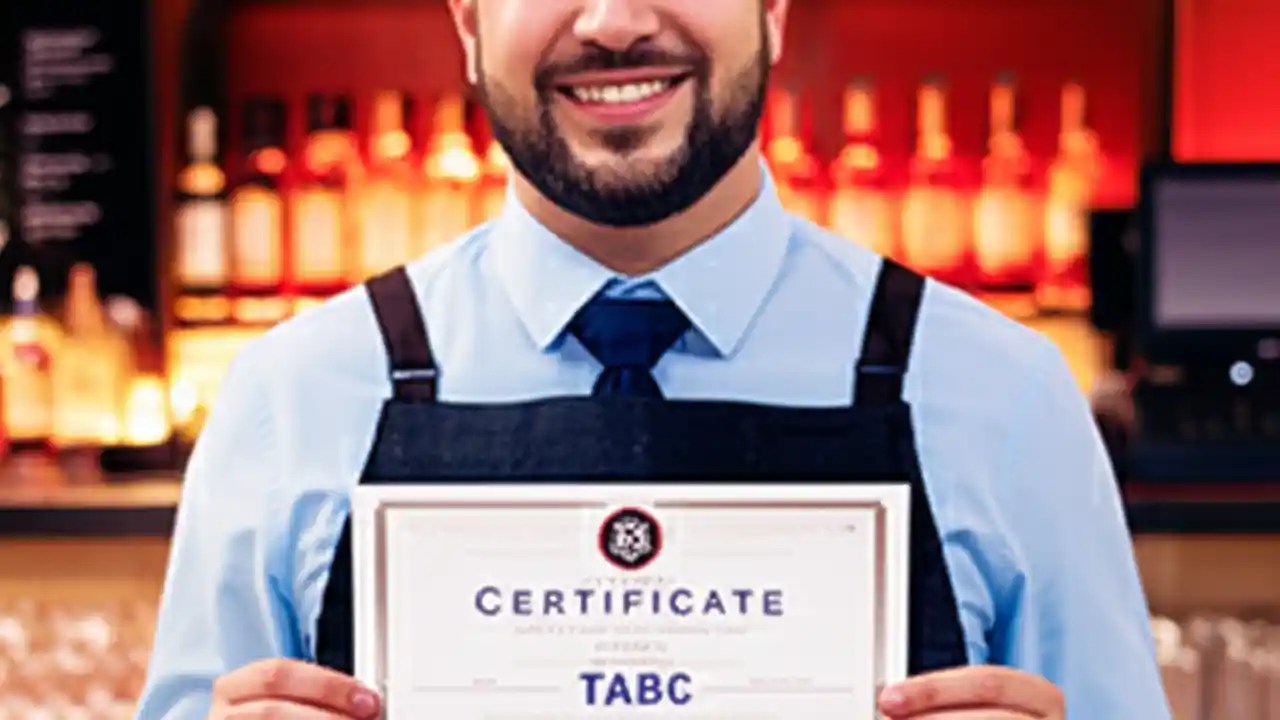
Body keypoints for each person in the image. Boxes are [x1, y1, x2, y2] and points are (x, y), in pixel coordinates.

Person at [136, 0, 1172, 717]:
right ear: (466, 23)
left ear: (771, 10)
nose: (613, 20)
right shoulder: (296, 393)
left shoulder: (1002, 393)